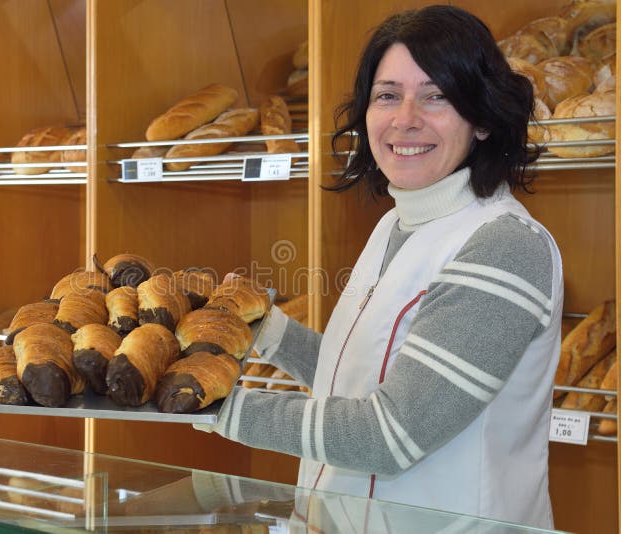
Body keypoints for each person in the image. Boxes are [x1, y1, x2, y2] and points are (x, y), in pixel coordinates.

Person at [195, 5, 563, 529]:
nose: (405, 117)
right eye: (387, 95)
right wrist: (268, 332)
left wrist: (205, 401)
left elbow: (388, 435)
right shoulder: (397, 224)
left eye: (436, 96)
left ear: (482, 118)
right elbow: (359, 378)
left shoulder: (503, 246)